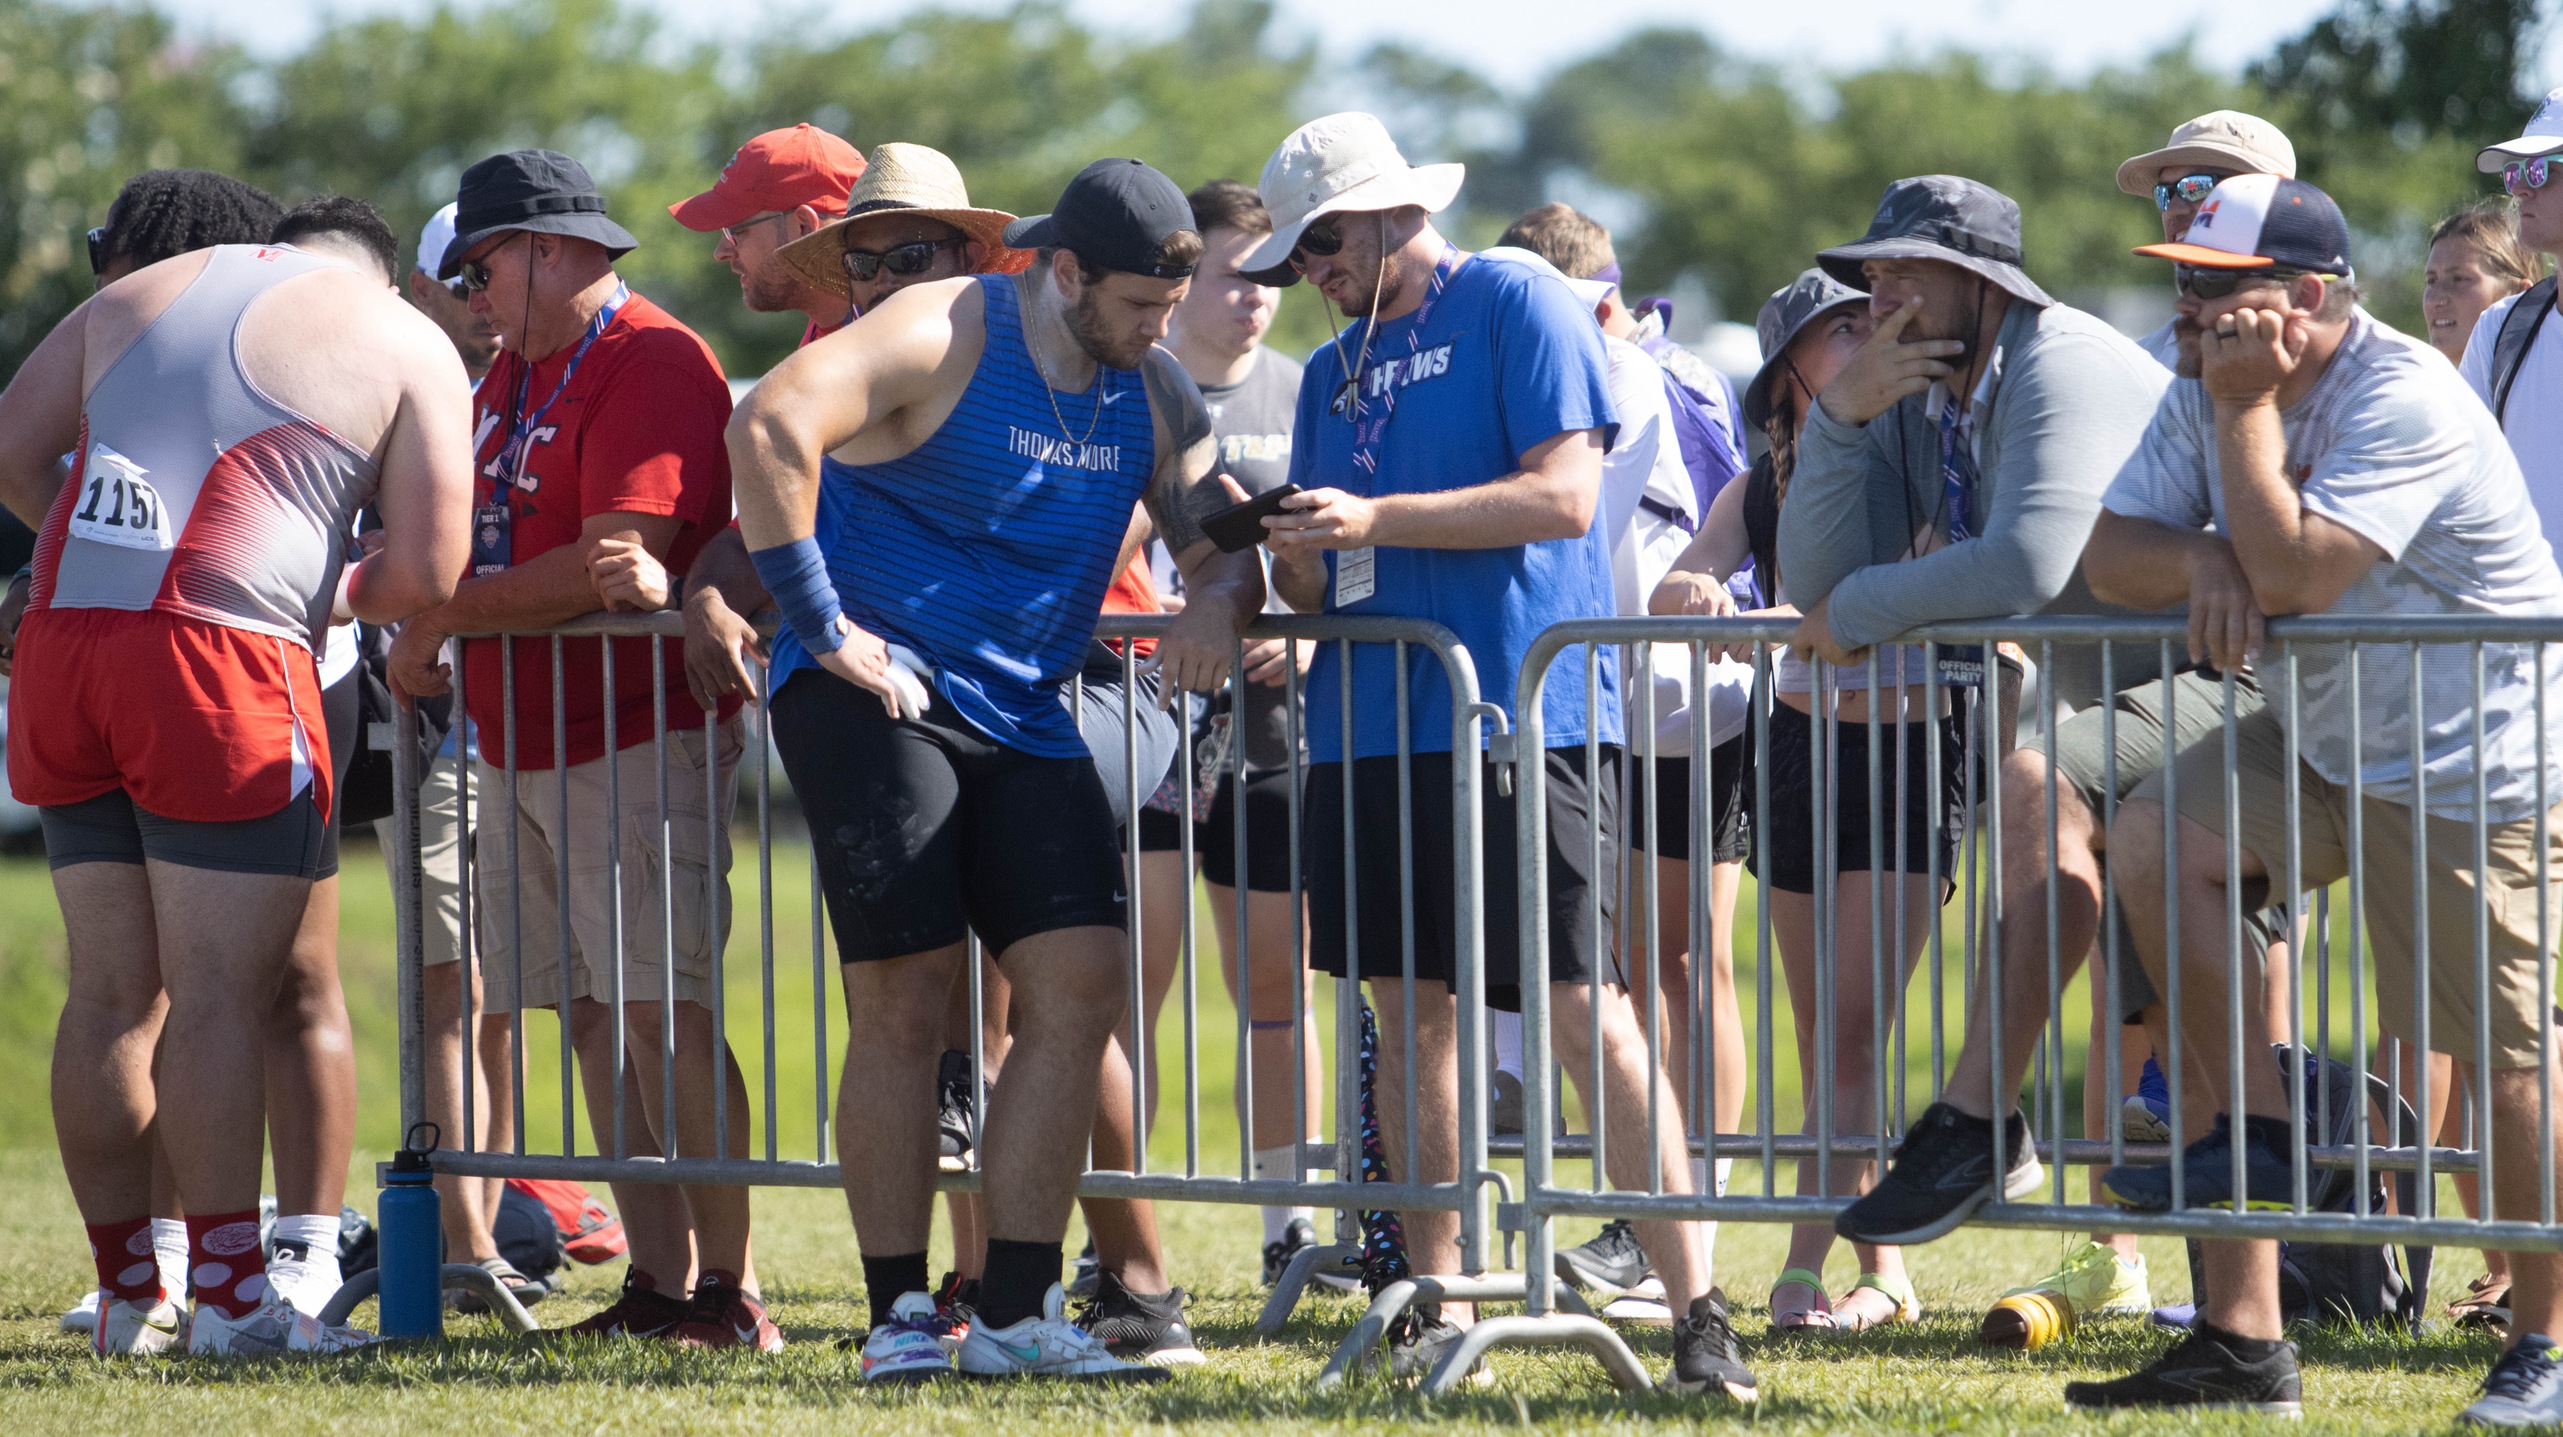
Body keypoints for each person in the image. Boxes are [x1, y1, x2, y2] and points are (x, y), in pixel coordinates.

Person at [1238, 111, 1754, 1401]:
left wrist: (1376, 516)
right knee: (1408, 1022)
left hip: (1524, 720)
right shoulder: (1321, 372)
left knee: (1589, 1015)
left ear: (1394, 211)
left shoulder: (1517, 297)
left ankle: (1698, 1314)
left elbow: (1566, 496)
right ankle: (1433, 1297)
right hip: (1368, 724)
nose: (1311, 272)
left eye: (1323, 244)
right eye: (1297, 256)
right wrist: (1295, 558)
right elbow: (1319, 585)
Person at [730, 155, 1261, 1383]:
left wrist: (1220, 602)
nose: (1155, 328)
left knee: (1080, 983)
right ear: (1063, 269)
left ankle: (1017, 1311)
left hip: (1024, 710)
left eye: (1167, 307)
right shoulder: (947, 323)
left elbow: (1215, 529)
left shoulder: (1154, 388)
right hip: (878, 695)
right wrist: (823, 628)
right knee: (908, 999)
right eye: (1135, 303)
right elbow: (767, 423)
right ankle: (897, 1317)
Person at [2067, 174, 2563, 1426]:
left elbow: (2294, 569)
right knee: (2155, 835)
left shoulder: (2405, 393)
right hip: (2331, 747)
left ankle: (2549, 1342)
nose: (2187, 310)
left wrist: (2241, 423)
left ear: (2302, 298)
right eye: (2180, 281)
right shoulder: (2207, 379)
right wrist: (2198, 556)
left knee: (2503, 1066)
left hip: (2475, 768)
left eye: (2214, 289)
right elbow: (2106, 555)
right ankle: (2250, 1245)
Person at [0, 191, 473, 1355]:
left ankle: (126, 1297)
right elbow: (425, 568)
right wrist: (324, 583)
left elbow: (13, 451)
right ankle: (229, 1304)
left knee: (110, 993)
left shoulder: (141, 290)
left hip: (62, 641)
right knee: (219, 995)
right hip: (225, 656)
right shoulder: (407, 337)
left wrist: (114, 538)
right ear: (380, 273)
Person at [387, 149, 773, 1351]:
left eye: (482, 263)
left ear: (550, 249)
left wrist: (442, 611)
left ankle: (728, 1290)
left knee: (664, 1012)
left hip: (635, 734)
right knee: (599, 1023)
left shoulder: (647, 357)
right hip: (520, 742)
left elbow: (606, 563)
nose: (469, 290)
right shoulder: (509, 371)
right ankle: (656, 1286)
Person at [1495, 203, 1753, 1320]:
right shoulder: (1628, 363)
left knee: (1681, 966)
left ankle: (1687, 1227)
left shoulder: (1646, 376)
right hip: (1607, 701)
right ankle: (1653, 1221)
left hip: (1681, 704)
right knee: (1637, 971)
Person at [1119, 176, 1331, 1287]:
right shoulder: (1129, 386)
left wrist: (1297, 631)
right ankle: (1126, 1232)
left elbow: (1345, 559)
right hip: (1137, 717)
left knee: (1274, 992)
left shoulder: (1311, 392)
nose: (1255, 297)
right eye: (1230, 274)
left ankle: (1285, 1225)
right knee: (1126, 991)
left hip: (1270, 726)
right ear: (1178, 277)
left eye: (1274, 277)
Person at [2414, 195, 2544, 1327]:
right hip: (2491, 707)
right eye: (2434, 278)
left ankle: (2523, 1282)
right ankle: (2509, 1272)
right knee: (2463, 1014)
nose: (2439, 297)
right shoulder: (2508, 347)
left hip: (2520, 703)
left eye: (2461, 278)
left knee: (2511, 1019)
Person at [2115, 112, 2298, 369]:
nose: (2173, 210)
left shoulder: (2360, 358)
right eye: (2164, 194)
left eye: (2197, 187)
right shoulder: (2143, 363)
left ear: (2272, 196)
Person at [2464, 88, 2563, 540]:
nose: (2520, 187)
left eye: (2541, 170)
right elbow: (2458, 492)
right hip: (2522, 613)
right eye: (2515, 171)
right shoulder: (2499, 330)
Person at [669, 122, 866, 343]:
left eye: (736, 231)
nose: (721, 252)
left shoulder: (884, 342)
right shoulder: (836, 329)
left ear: (805, 228)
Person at [2423, 202, 2539, 368]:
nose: (2433, 301)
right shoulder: (2409, 387)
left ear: (2519, 295)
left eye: (2458, 279)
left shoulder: (2548, 384)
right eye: (2431, 281)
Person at [407, 203, 501, 383]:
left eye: (503, 289)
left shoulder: (550, 385)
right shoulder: (387, 387)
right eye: (470, 288)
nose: (492, 306)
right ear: (421, 289)